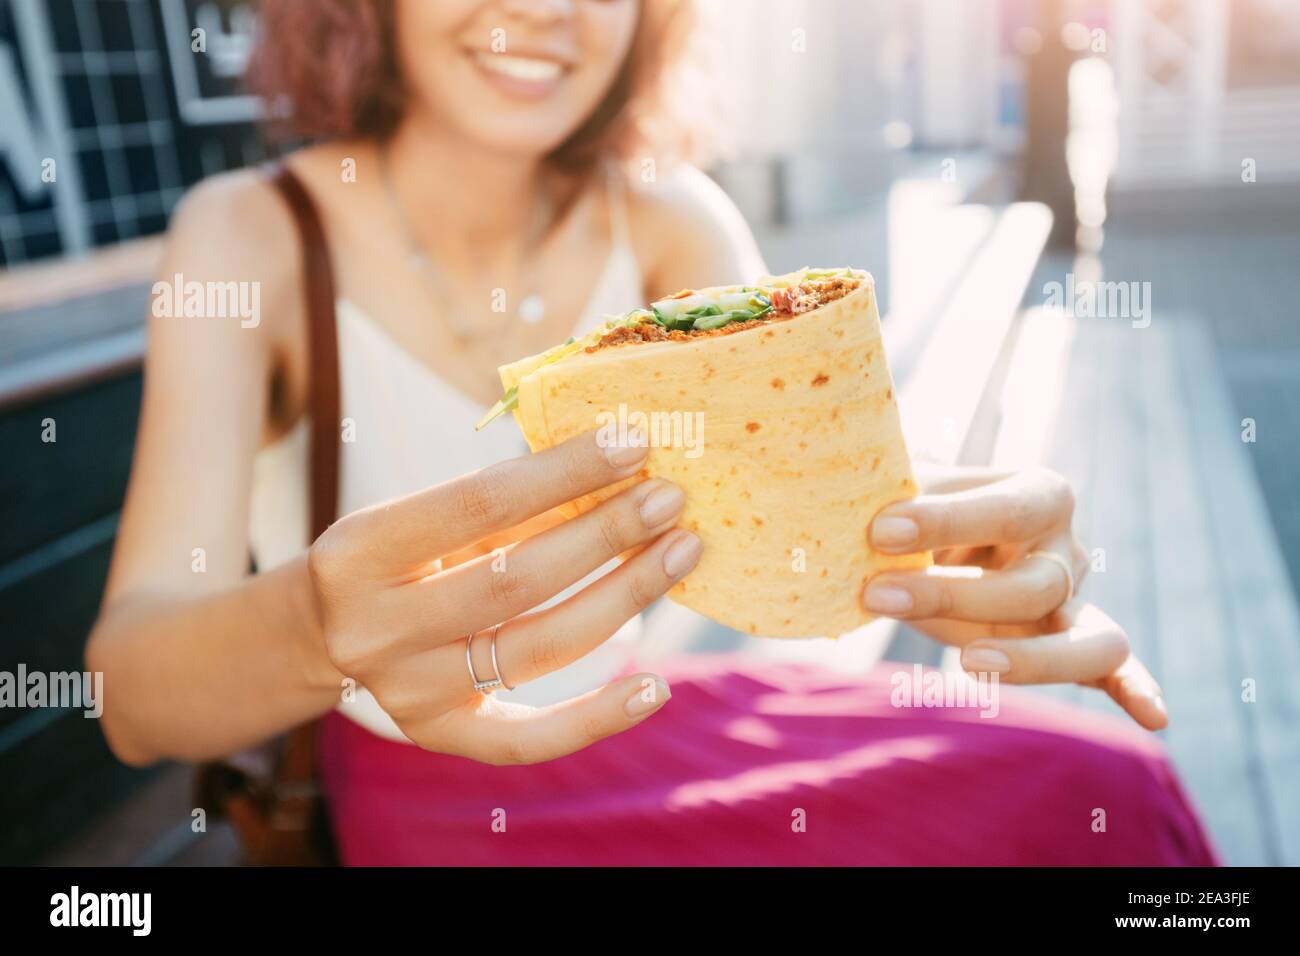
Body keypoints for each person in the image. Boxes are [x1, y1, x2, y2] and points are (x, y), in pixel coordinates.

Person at [86, 0, 1218, 865]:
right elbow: (131, 687)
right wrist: (317, 625)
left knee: (1107, 793)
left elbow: (804, 518)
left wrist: (958, 548)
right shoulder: (246, 236)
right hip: (423, 787)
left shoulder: (672, 219)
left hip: (672, 721)